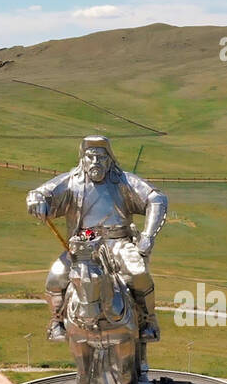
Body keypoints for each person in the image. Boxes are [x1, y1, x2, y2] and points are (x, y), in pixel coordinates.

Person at [28, 135, 168, 343]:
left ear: (109, 160)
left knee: (138, 273)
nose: (95, 162)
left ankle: (148, 321)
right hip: (84, 243)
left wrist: (148, 236)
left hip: (119, 241)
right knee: (56, 277)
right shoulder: (72, 182)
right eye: (90, 157)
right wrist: (36, 200)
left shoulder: (123, 181)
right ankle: (57, 321)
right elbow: (41, 193)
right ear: (82, 159)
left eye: (101, 158)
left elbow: (156, 199)